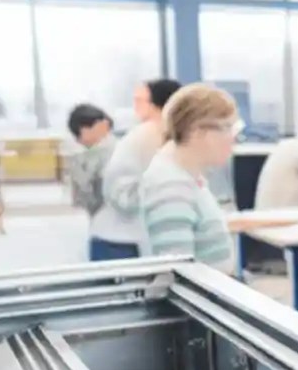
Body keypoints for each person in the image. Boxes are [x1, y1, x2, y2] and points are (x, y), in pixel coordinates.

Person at [138, 83, 238, 275]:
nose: (232, 138)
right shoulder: (170, 187)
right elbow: (177, 277)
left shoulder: (187, 177)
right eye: (227, 128)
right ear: (198, 132)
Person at [94, 78, 182, 259]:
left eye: (140, 101)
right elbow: (125, 195)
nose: (135, 107)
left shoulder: (155, 134)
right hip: (123, 240)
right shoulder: (150, 134)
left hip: (120, 237)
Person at [62, 104, 122, 261]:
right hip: (109, 229)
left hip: (111, 232)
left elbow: (88, 199)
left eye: (79, 132)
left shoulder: (107, 153)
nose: (79, 139)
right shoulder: (106, 151)